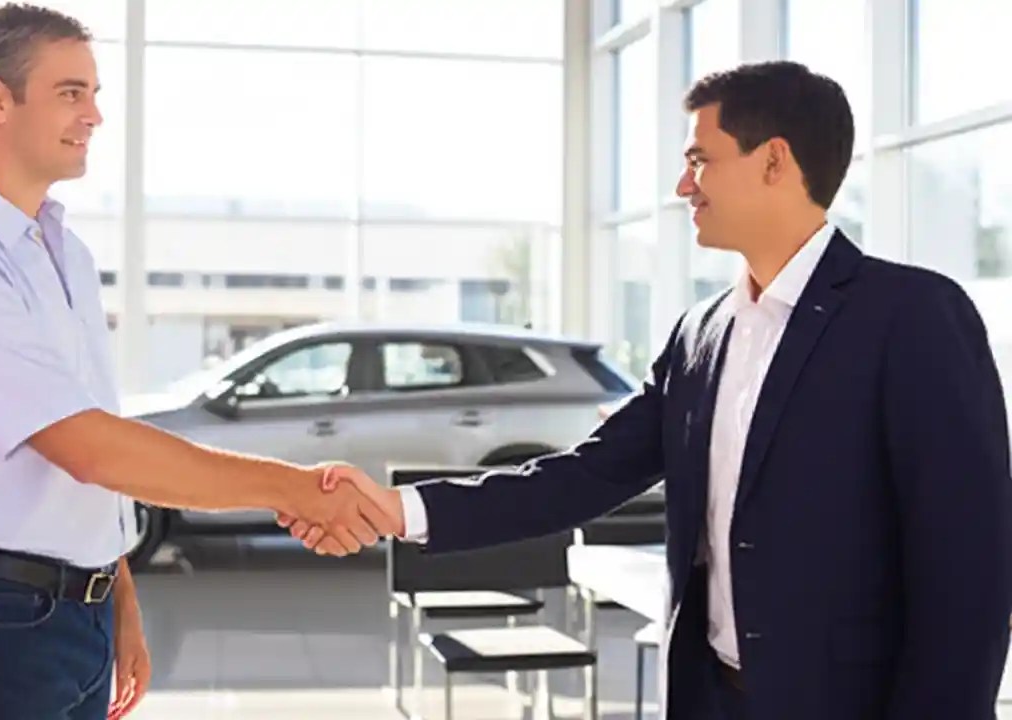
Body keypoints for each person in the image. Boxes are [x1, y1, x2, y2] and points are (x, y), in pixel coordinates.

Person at [286, 61, 1012, 720]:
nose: (682, 186)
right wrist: (395, 509)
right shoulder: (701, 333)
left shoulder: (912, 316)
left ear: (775, 161)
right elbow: (585, 475)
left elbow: (970, 570)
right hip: (712, 697)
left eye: (700, 160)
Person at [0, 5, 393, 719]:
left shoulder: (66, 253)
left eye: (93, 93)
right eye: (70, 92)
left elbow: (94, 436)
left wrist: (116, 592)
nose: (93, 115)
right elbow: (87, 448)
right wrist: (294, 490)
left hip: (74, 606)